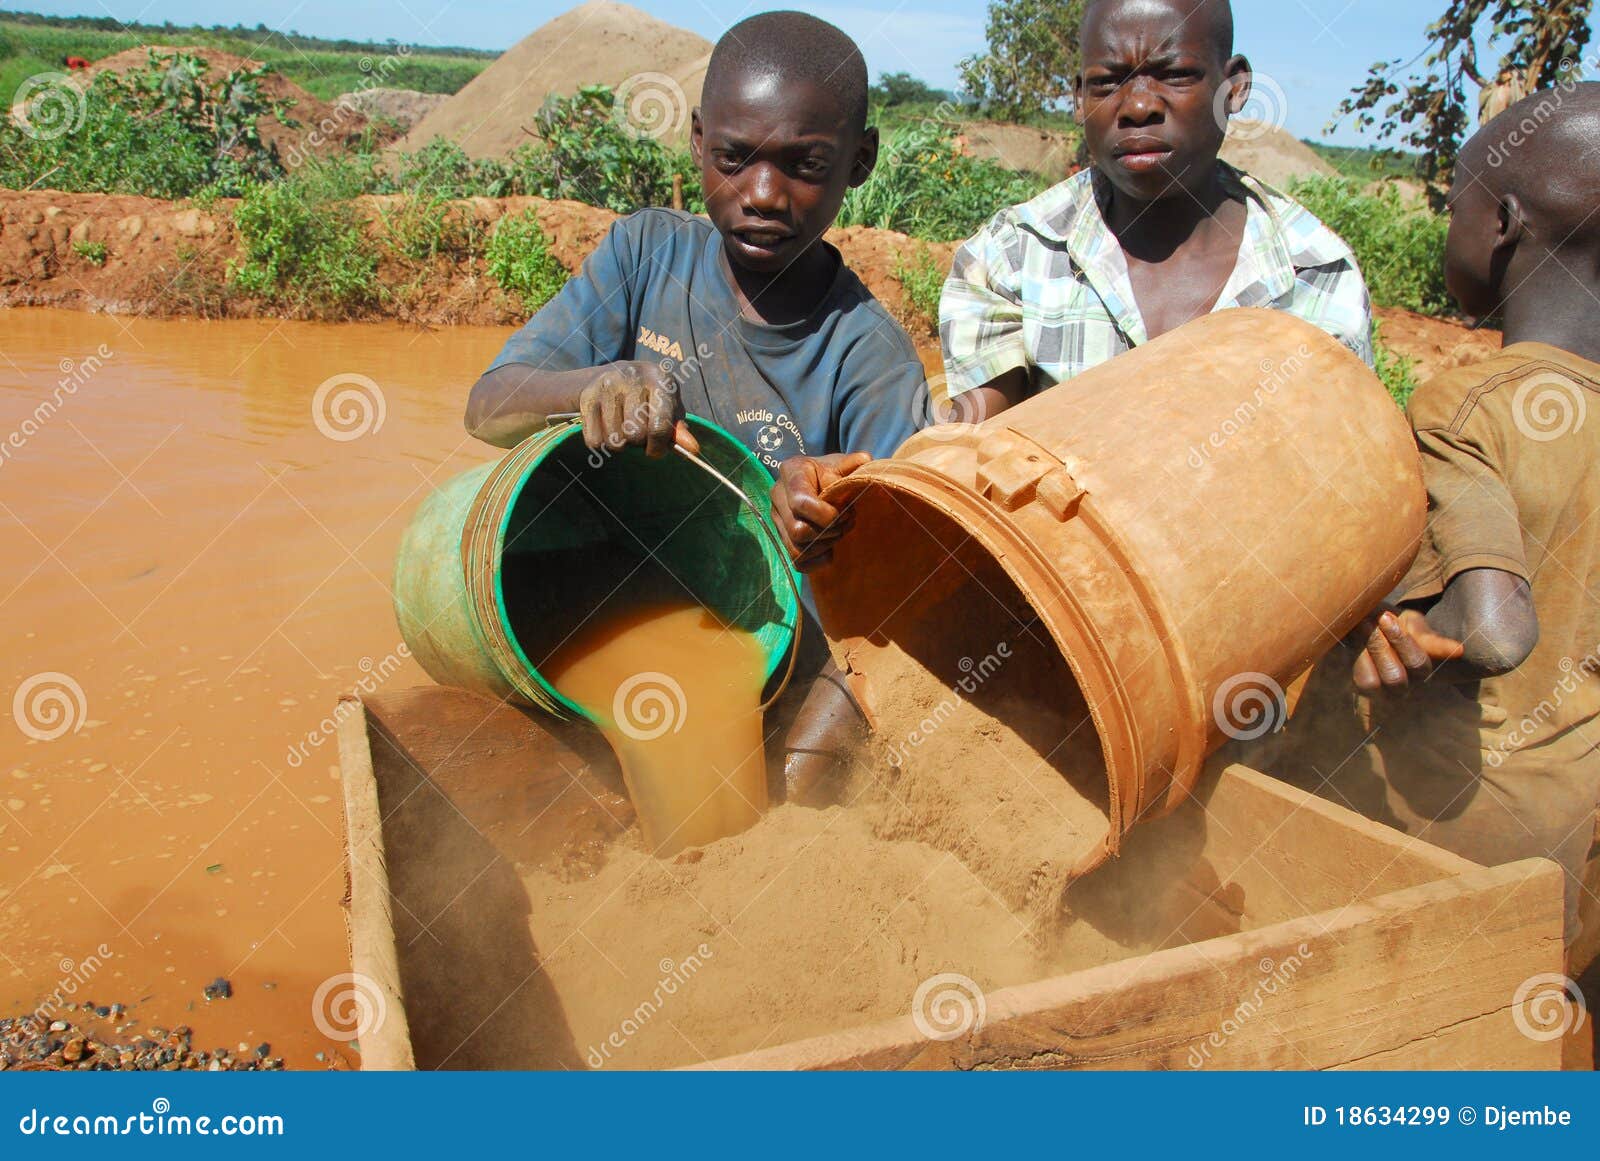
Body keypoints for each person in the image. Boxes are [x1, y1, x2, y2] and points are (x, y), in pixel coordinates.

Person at [465, 11, 927, 794]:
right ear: (698, 143)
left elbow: (910, 590)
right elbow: (487, 406)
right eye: (734, 158)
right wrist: (595, 384)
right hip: (604, 597)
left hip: (777, 661)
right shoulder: (645, 256)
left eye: (805, 164)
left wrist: (832, 512)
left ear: (860, 161)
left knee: (803, 783)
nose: (764, 194)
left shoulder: (869, 357)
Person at [772, 0, 1374, 567]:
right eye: (1108, 82)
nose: (1138, 105)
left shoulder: (1312, 275)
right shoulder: (1013, 256)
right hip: (1064, 594)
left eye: (1174, 74)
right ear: (1079, 96)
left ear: (1234, 86)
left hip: (1244, 594)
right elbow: (972, 442)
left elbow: (1342, 492)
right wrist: (854, 487)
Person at [1271, 85, 1600, 978]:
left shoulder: (1470, 407)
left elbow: (1493, 630)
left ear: (1502, 224)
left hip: (1460, 833)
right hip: (1571, 828)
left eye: (1454, 204)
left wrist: (1408, 630)